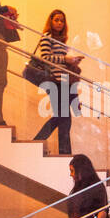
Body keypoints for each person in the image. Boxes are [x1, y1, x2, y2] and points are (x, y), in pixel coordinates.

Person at [32, 9, 82, 155]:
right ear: (51, 21)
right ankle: (38, 142)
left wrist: (72, 62)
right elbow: (45, 58)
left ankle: (64, 152)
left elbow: (60, 62)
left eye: (62, 20)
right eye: (57, 20)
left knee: (65, 119)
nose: (60, 23)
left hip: (64, 80)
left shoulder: (61, 40)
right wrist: (64, 59)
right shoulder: (47, 37)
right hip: (54, 81)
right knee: (62, 116)